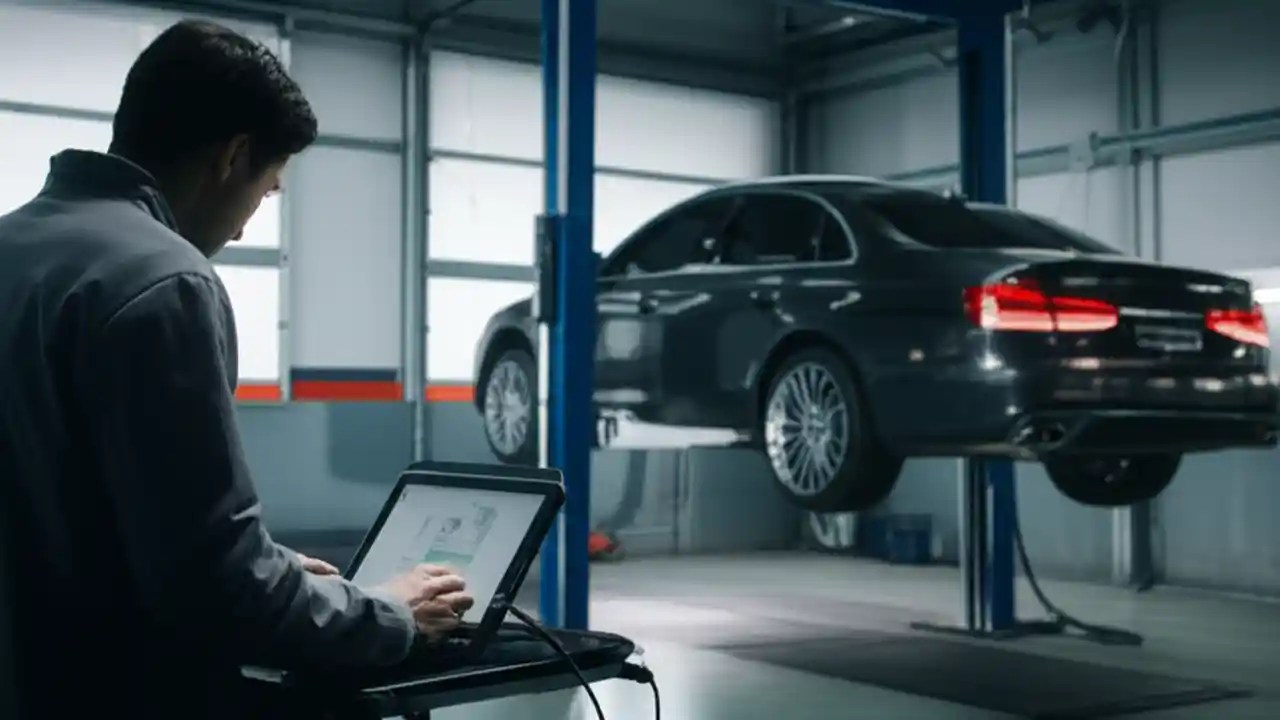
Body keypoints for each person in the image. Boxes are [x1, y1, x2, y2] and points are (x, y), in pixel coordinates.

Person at [0, 19, 472, 718]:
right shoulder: (166, 280)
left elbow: (80, 517)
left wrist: (270, 567)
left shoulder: (13, 248)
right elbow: (214, 590)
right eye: (267, 189)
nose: (247, 226)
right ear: (234, 156)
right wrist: (388, 614)